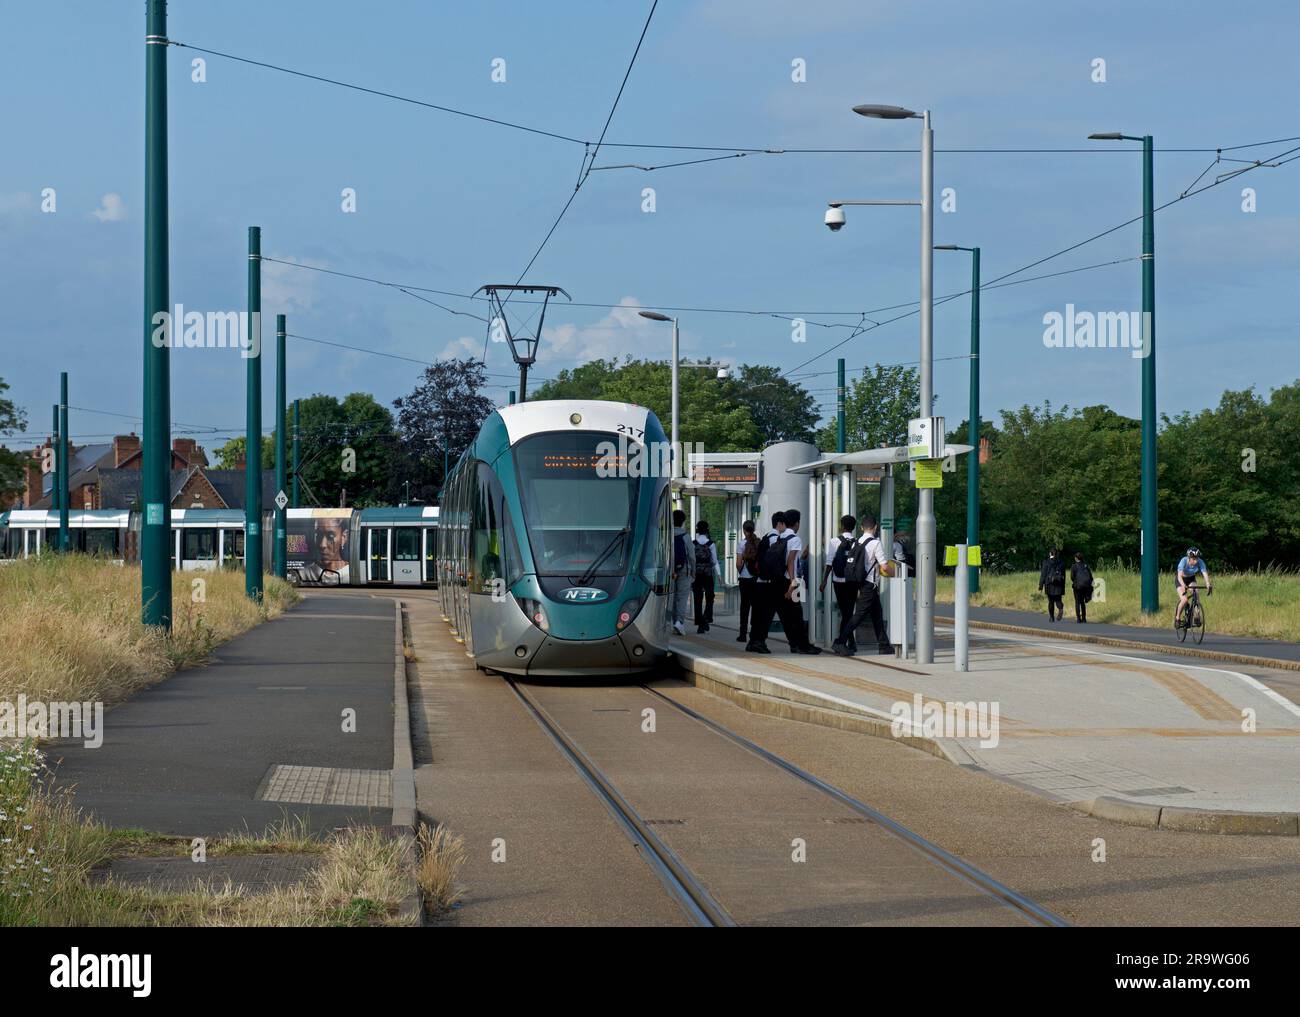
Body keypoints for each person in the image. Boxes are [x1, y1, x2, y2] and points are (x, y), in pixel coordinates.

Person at [832, 514, 894, 656]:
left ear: (861, 527)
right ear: (875, 527)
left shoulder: (857, 541)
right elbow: (884, 566)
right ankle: (840, 642)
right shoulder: (875, 543)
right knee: (858, 616)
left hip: (861, 583)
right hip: (869, 585)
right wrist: (897, 574)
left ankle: (884, 645)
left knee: (877, 614)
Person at [778, 509, 822, 654]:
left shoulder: (781, 536)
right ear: (797, 523)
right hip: (793, 581)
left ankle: (794, 643)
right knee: (797, 615)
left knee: (786, 615)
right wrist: (792, 583)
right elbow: (791, 561)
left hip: (780, 580)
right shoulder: (795, 539)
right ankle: (803, 645)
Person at [746, 511, 789, 654]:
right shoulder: (775, 539)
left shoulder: (766, 537)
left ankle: (753, 641)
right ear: (780, 524)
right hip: (770, 583)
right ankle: (759, 642)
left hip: (760, 581)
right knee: (766, 615)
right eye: (785, 525)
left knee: (759, 614)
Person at [819, 515, 861, 652]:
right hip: (853, 581)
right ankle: (850, 641)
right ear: (854, 527)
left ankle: (844, 641)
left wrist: (824, 581)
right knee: (848, 611)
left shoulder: (834, 541)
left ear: (842, 526)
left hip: (838, 581)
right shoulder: (857, 542)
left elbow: (829, 562)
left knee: (846, 612)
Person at [1173, 546, 1212, 628]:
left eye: (1197, 558)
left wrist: (1208, 584)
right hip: (1180, 580)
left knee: (1196, 593)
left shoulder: (1200, 562)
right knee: (1184, 600)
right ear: (1189, 557)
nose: (1196, 560)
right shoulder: (1183, 561)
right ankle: (1177, 618)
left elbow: (1204, 573)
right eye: (1194, 558)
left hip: (1191, 579)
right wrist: (1183, 585)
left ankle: (1197, 616)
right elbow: (1179, 576)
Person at [734, 519, 760, 642]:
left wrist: (741, 571)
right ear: (753, 529)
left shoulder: (741, 544)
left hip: (745, 579)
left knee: (744, 607)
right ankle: (754, 634)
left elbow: (738, 564)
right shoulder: (758, 543)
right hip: (756, 579)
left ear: (744, 530)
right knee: (756, 606)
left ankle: (742, 634)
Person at [692, 520, 719, 633]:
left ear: (697, 530)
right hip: (708, 574)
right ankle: (706, 618)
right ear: (707, 530)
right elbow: (714, 561)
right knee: (709, 597)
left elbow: (691, 560)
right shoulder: (711, 544)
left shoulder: (693, 544)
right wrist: (719, 575)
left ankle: (700, 621)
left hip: (696, 574)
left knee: (697, 598)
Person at [670, 508, 693, 636]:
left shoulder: (666, 535)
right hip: (684, 569)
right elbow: (692, 556)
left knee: (672, 596)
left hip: (670, 570)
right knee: (682, 597)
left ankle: (673, 622)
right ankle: (679, 623)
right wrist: (693, 571)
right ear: (683, 521)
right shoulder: (685, 536)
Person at [1038, 548, 1066, 622]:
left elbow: (1043, 574)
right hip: (1058, 584)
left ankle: (1051, 617)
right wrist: (1063, 586)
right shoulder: (1061, 563)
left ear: (1050, 553)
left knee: (1050, 601)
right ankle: (1060, 609)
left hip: (1049, 584)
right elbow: (1063, 575)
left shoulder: (1046, 562)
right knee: (1058, 600)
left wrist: (1041, 585)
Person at [1070, 551, 1094, 623]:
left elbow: (1072, 577)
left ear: (1076, 558)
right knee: (1083, 602)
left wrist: (1076, 581)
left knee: (1077, 602)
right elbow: (1091, 577)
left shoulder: (1074, 566)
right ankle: (1084, 618)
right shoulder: (1086, 565)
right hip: (1085, 586)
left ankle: (1078, 618)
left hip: (1077, 587)